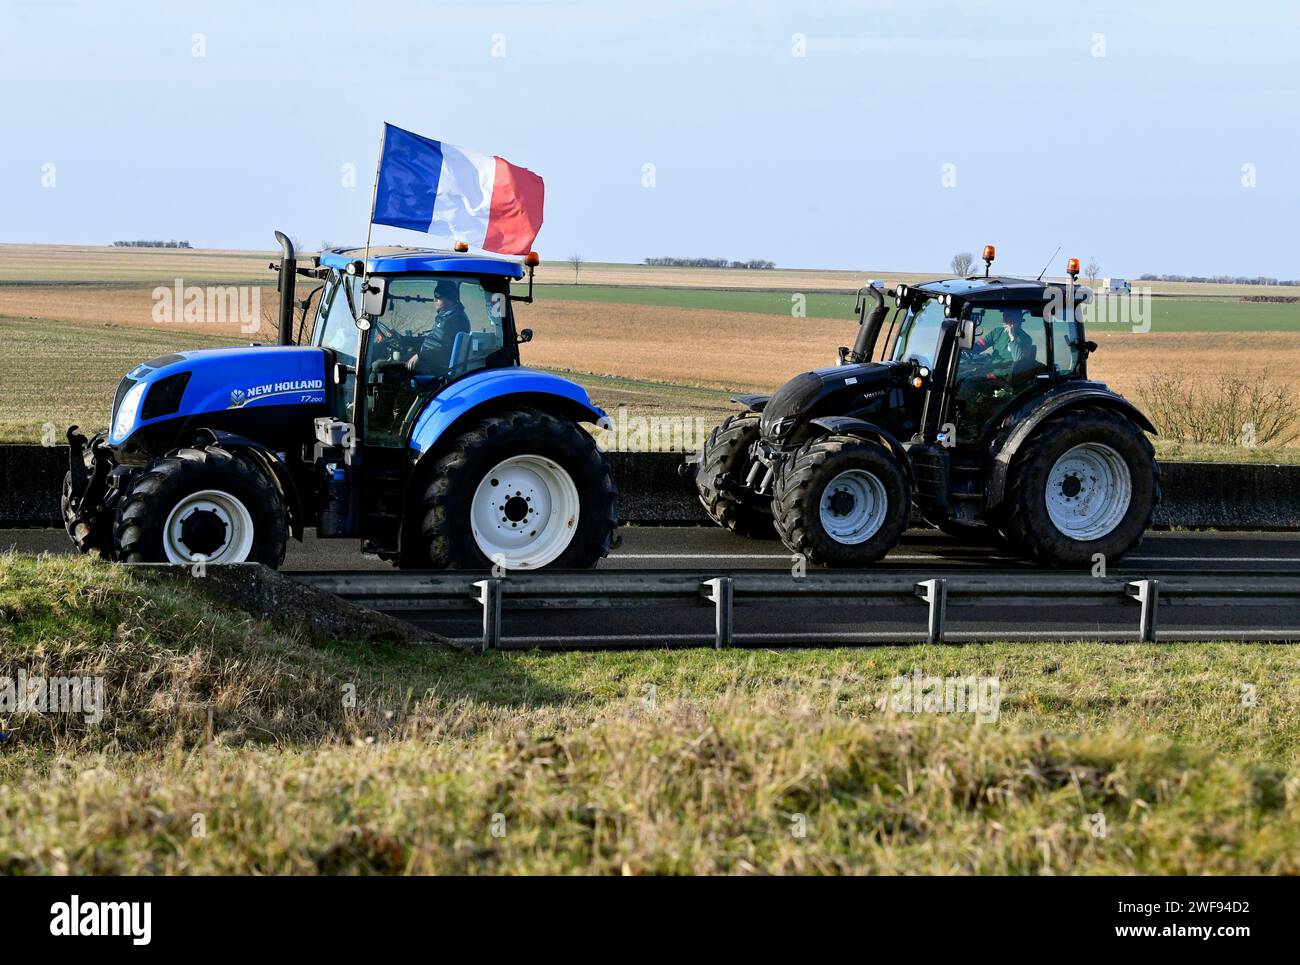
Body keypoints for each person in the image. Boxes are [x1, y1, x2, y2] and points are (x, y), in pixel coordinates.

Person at [406, 280, 471, 375]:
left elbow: (446, 351)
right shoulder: (445, 316)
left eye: (438, 297)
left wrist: (420, 356)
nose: (434, 300)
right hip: (429, 360)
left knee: (380, 366)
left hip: (435, 368)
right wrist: (405, 340)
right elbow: (433, 340)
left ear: (449, 299)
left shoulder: (456, 320)